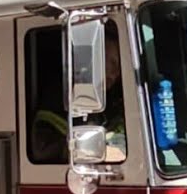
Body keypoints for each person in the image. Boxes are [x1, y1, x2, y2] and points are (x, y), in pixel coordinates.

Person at [30, 22, 127, 163]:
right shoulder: (59, 99)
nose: (116, 73)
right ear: (91, 59)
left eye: (118, 67)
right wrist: (97, 152)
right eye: (111, 63)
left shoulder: (111, 102)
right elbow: (41, 149)